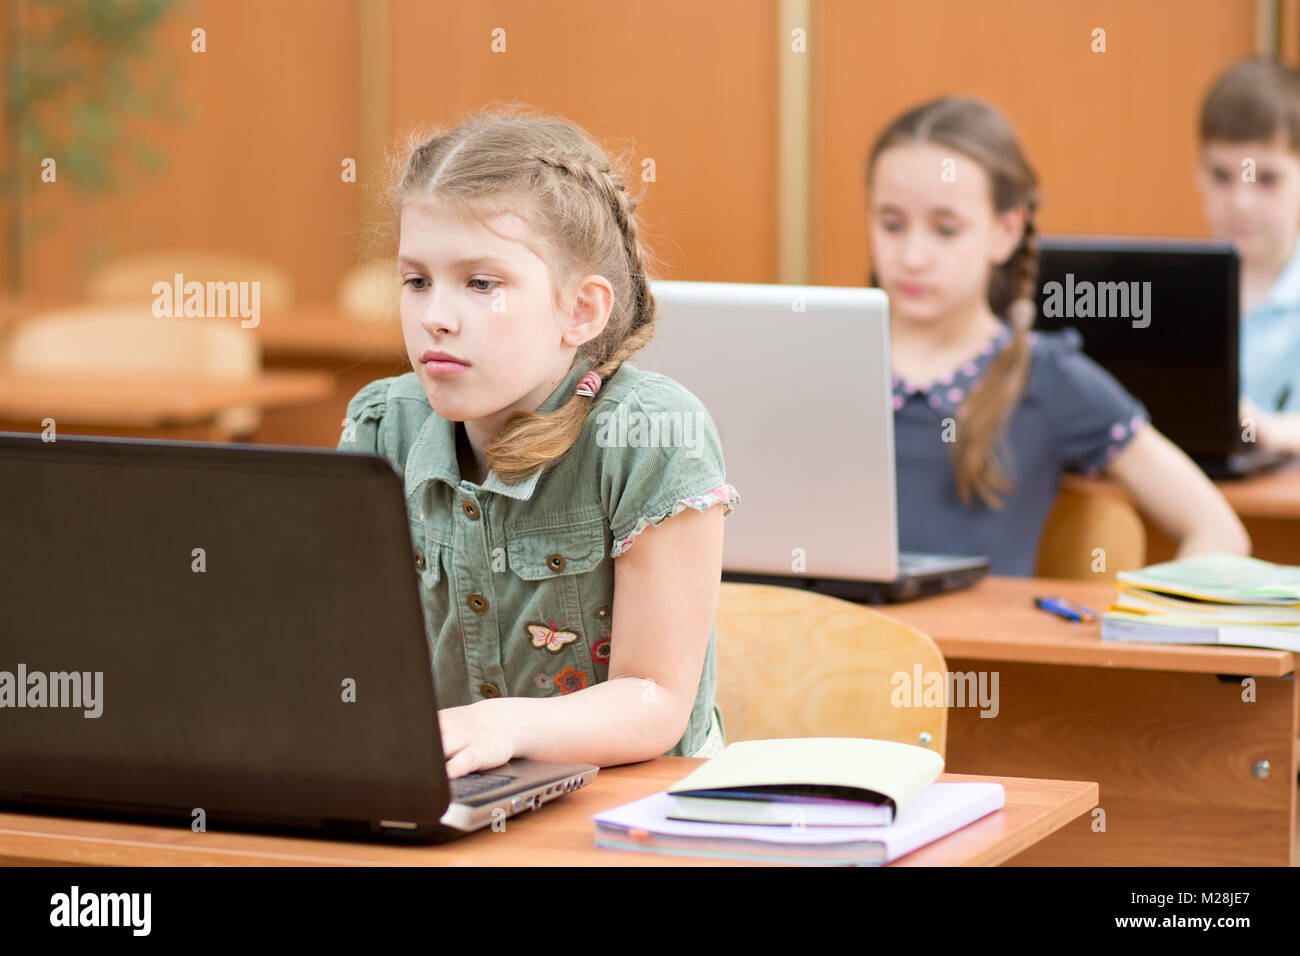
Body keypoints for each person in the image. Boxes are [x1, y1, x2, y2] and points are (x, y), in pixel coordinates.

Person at [339, 108, 738, 777]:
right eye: (416, 281)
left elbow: (657, 701)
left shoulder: (653, 436)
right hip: (454, 803)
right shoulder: (383, 424)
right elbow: (344, 653)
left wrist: (507, 724)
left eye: (481, 283)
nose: (434, 316)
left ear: (580, 310)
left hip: (636, 810)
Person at [866, 96, 1249, 575]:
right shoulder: (819, 362)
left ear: (1006, 231)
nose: (913, 255)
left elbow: (1217, 529)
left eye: (945, 229)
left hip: (971, 651)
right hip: (814, 642)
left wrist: (1149, 625)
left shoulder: (1048, 376)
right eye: (891, 224)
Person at [1197, 57, 1300, 453]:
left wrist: (1272, 430)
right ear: (1197, 173)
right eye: (1221, 176)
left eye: (1267, 179)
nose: (1241, 203)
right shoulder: (1174, 294)